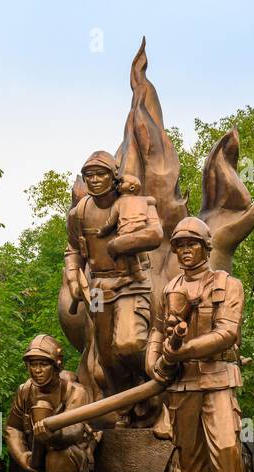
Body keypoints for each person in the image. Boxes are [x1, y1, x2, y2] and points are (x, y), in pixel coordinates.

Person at [147, 218, 248, 472]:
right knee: (189, 454)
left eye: (191, 244)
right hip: (182, 383)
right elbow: (157, 329)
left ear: (206, 246)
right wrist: (153, 359)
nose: (184, 250)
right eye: (179, 245)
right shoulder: (170, 288)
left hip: (217, 378)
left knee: (227, 445)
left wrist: (184, 350)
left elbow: (227, 332)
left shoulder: (227, 284)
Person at [64, 151, 164, 421]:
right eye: (89, 176)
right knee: (106, 358)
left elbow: (156, 233)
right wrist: (74, 277)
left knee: (129, 344)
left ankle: (153, 381)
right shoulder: (79, 213)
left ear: (114, 176)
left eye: (101, 174)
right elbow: (72, 250)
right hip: (97, 289)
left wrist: (123, 244)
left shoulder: (136, 203)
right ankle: (127, 407)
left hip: (131, 283)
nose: (95, 180)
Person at [5, 335, 98, 472]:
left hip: (73, 457)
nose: (37, 370)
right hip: (40, 461)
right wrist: (23, 456)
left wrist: (53, 436)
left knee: (58, 454)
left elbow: (76, 429)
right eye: (32, 364)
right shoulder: (25, 391)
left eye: (43, 364)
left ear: (57, 365)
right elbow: (12, 428)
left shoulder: (75, 391)